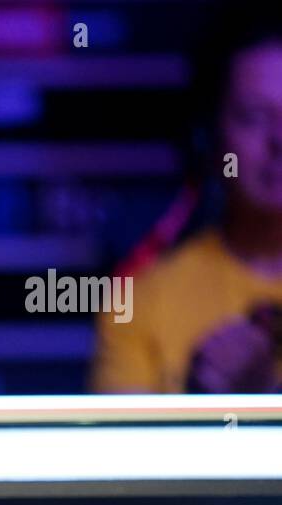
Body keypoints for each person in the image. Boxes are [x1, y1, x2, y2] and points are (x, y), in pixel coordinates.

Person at [90, 14, 282, 394]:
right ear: (209, 134)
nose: (279, 140)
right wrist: (199, 412)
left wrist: (265, 401)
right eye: (254, 117)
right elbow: (121, 453)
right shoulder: (140, 302)